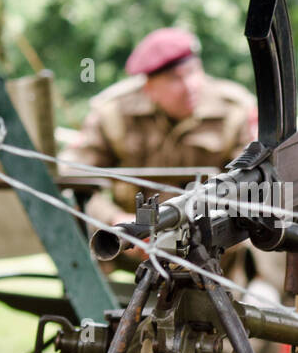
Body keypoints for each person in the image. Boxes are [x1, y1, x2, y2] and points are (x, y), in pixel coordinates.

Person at [61, 27, 258, 229]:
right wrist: (114, 220)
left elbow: (253, 183)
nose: (189, 85)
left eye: (192, 71)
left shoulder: (234, 110)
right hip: (131, 250)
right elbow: (72, 177)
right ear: (149, 88)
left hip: (216, 247)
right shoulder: (112, 113)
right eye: (174, 78)